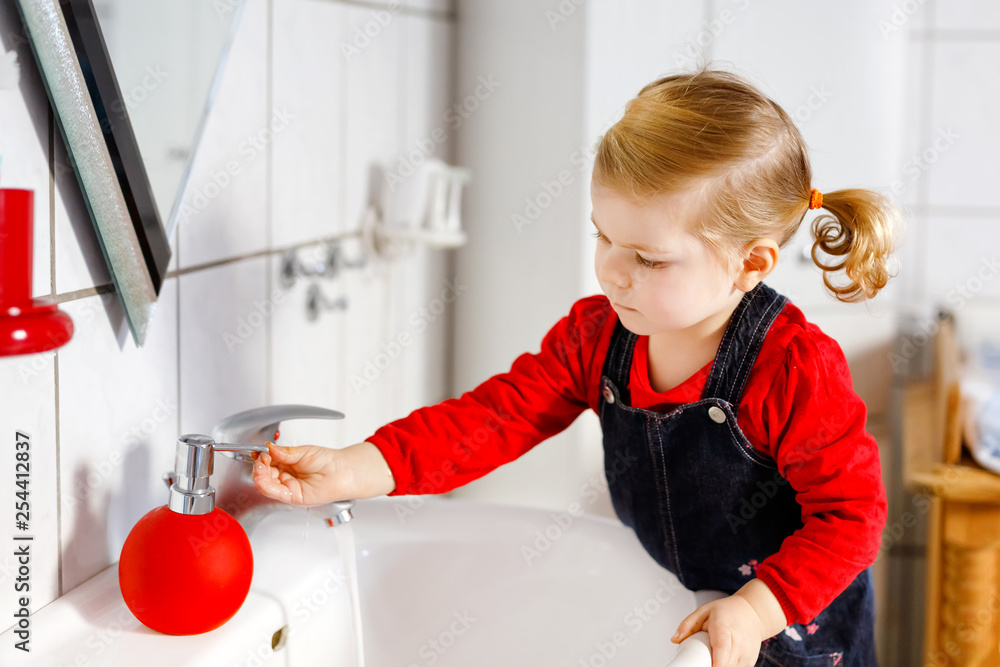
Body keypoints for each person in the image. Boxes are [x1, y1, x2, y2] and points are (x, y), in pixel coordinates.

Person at [251, 64, 900, 667]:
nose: (612, 271)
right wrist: (362, 465)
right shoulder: (597, 335)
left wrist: (759, 607)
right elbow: (493, 416)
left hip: (799, 629)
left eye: (647, 258)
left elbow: (853, 516)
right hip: (682, 605)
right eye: (602, 235)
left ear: (751, 264)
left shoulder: (793, 368)